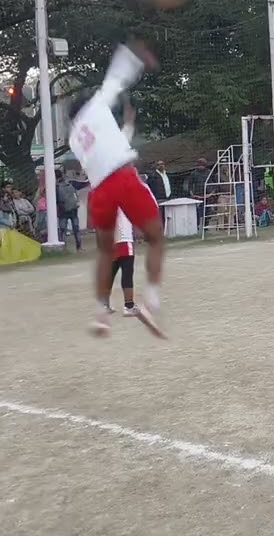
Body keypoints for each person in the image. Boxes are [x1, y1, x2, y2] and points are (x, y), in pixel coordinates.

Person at [69, 38, 168, 339]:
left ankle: (101, 314)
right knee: (155, 238)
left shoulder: (75, 137)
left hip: (98, 190)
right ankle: (150, 299)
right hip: (122, 178)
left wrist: (126, 126)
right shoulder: (97, 105)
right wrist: (136, 54)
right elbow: (117, 73)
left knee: (104, 253)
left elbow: (107, 144)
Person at [103, 209, 141, 317]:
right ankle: (129, 306)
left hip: (112, 241)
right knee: (127, 273)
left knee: (111, 273)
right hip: (124, 239)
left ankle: (104, 305)